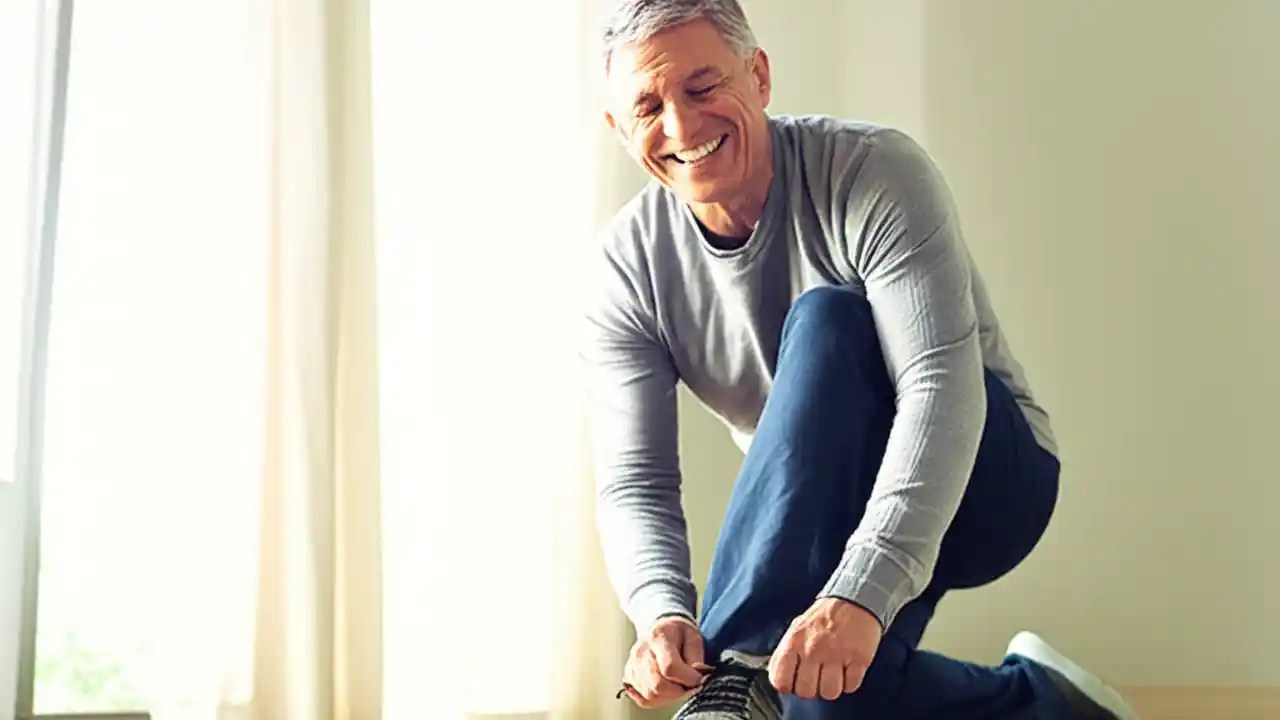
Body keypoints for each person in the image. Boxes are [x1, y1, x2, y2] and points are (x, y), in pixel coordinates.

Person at [580, 2, 1140, 718]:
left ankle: (741, 665)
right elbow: (637, 481)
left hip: (983, 479)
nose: (682, 127)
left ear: (759, 75)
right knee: (815, 698)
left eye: (702, 87)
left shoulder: (871, 171)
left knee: (829, 318)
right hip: (822, 516)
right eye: (649, 105)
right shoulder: (626, 268)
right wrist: (659, 611)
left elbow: (939, 389)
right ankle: (1044, 704)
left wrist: (857, 595)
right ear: (618, 128)